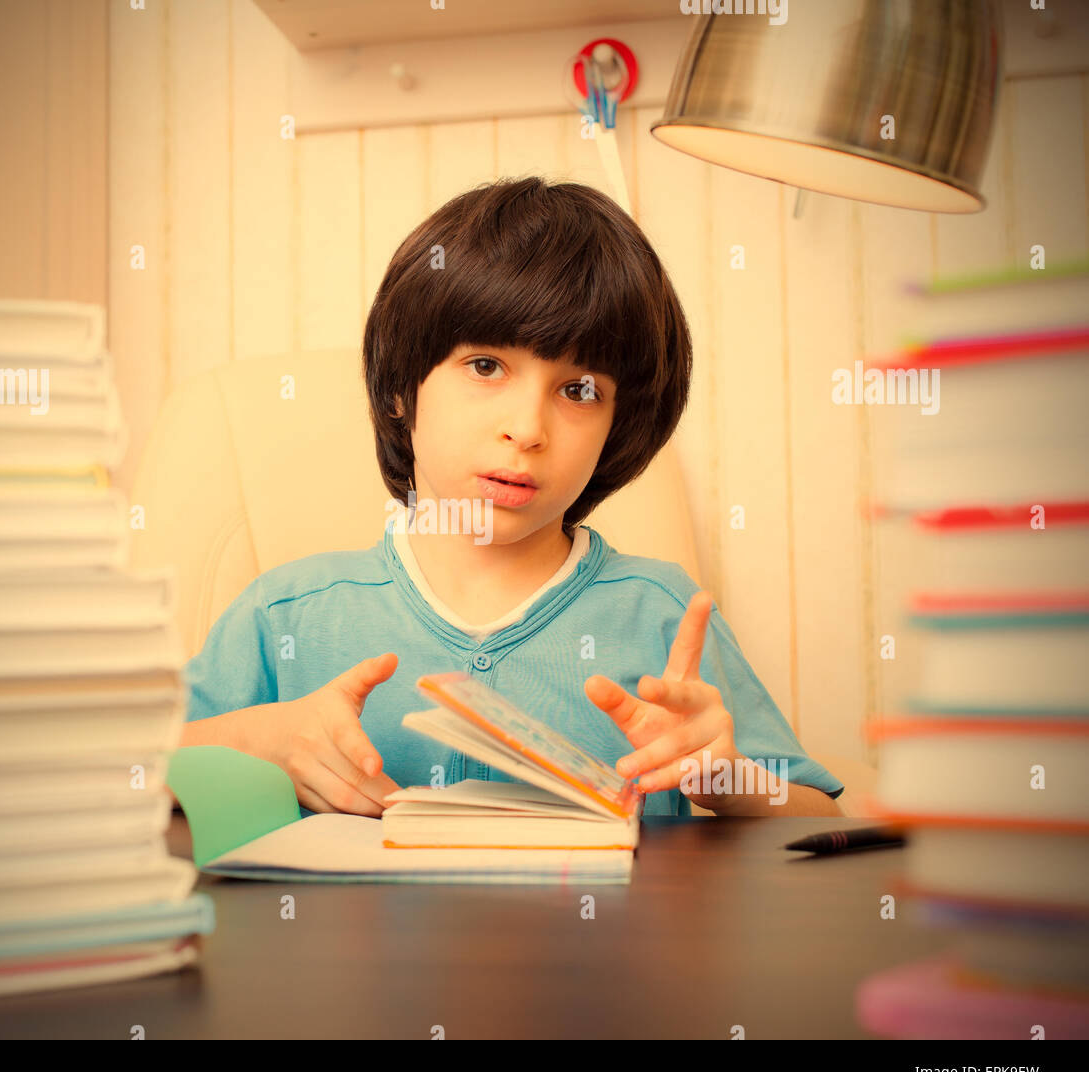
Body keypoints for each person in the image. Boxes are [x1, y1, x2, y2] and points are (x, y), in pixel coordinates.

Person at [178, 175, 843, 820]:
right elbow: (112, 775)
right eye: (486, 367)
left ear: (620, 428)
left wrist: (724, 778)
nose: (527, 430)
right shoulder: (284, 617)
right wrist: (252, 742)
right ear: (401, 388)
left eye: (579, 390)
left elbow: (815, 812)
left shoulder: (661, 615)